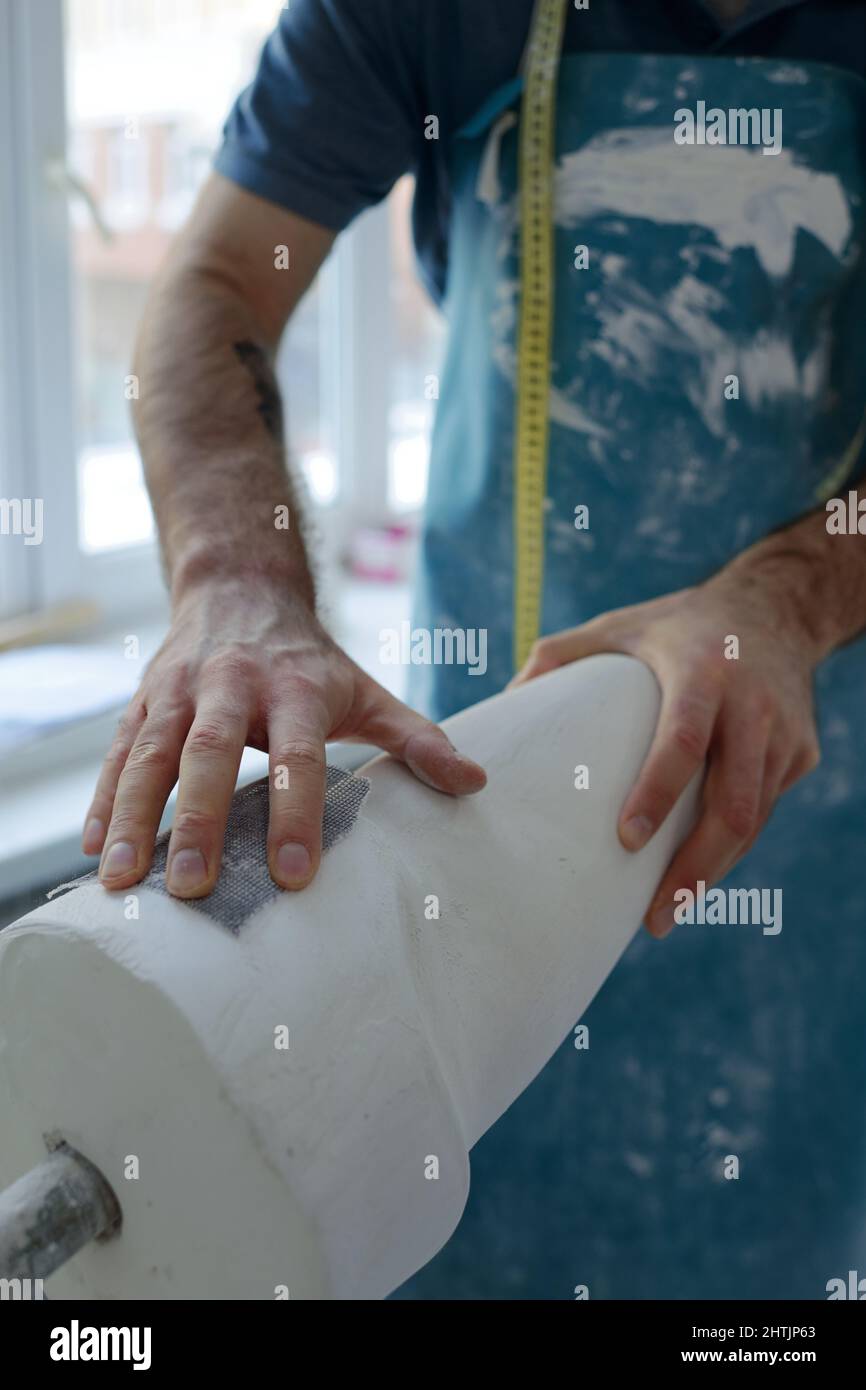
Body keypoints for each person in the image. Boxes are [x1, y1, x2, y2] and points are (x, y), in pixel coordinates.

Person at [82, 0, 866, 1298]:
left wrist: (783, 601)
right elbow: (215, 282)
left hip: (805, 827)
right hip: (480, 794)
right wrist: (234, 582)